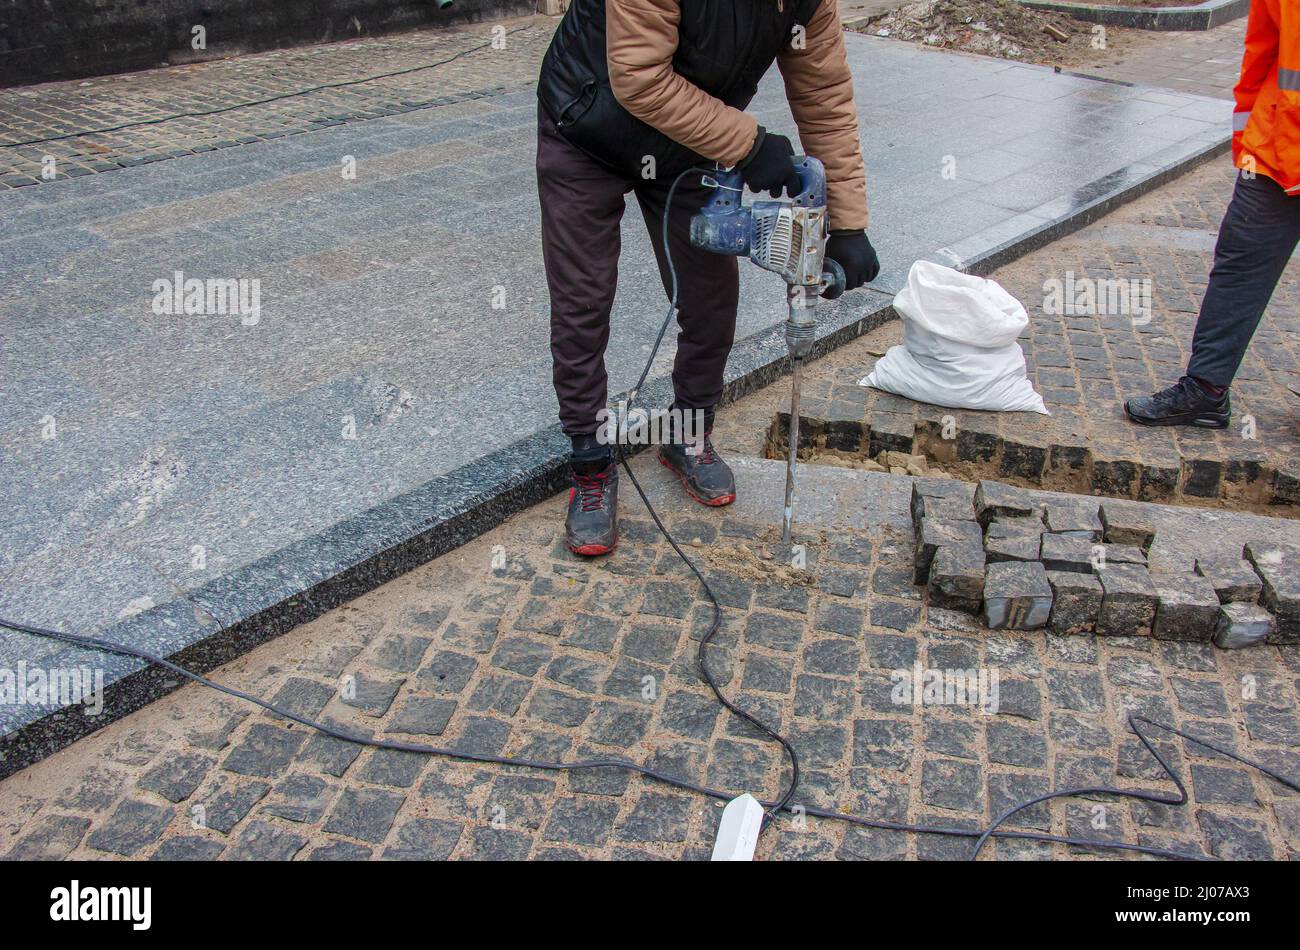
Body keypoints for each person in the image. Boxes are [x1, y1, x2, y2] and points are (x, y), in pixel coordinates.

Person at [536, 0, 878, 556]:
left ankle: (687, 433)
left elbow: (825, 98)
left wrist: (847, 222)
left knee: (710, 295)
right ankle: (591, 463)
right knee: (584, 298)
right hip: (587, 124)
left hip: (689, 141)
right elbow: (641, 78)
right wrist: (748, 144)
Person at [1126, 0, 1298, 429]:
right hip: (1275, 153)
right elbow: (1262, 50)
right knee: (1239, 267)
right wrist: (1246, 142)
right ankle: (1206, 390)